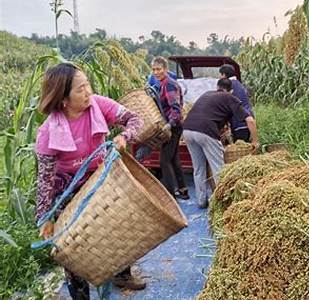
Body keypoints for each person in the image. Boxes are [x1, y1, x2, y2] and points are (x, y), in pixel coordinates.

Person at [35, 63, 146, 300]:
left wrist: (125, 136)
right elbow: (45, 179)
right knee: (72, 247)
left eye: (88, 85)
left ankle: (122, 273)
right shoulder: (48, 132)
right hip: (69, 188)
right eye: (80, 89)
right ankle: (80, 294)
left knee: (118, 227)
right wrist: (45, 218)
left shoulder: (98, 105)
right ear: (63, 98)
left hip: (101, 180)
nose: (88, 92)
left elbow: (135, 119)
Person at [183, 78, 259, 208]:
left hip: (187, 130)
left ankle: (201, 201)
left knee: (198, 168)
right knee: (219, 169)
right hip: (205, 130)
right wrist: (256, 141)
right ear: (231, 91)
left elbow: (211, 115)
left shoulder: (207, 94)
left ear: (217, 87)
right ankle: (223, 204)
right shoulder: (229, 97)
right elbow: (250, 121)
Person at [150, 56, 189, 199]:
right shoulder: (162, 84)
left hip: (173, 127)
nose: (156, 72)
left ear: (165, 69)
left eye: (159, 69)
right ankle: (183, 191)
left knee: (164, 160)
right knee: (173, 158)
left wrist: (169, 125)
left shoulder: (168, 84)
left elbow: (176, 109)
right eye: (154, 69)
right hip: (174, 126)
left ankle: (170, 195)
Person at [219, 64, 254, 142]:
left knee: (240, 150)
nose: (220, 77)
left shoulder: (229, 86)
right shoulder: (238, 84)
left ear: (224, 75)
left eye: (220, 75)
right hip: (246, 123)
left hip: (239, 123)